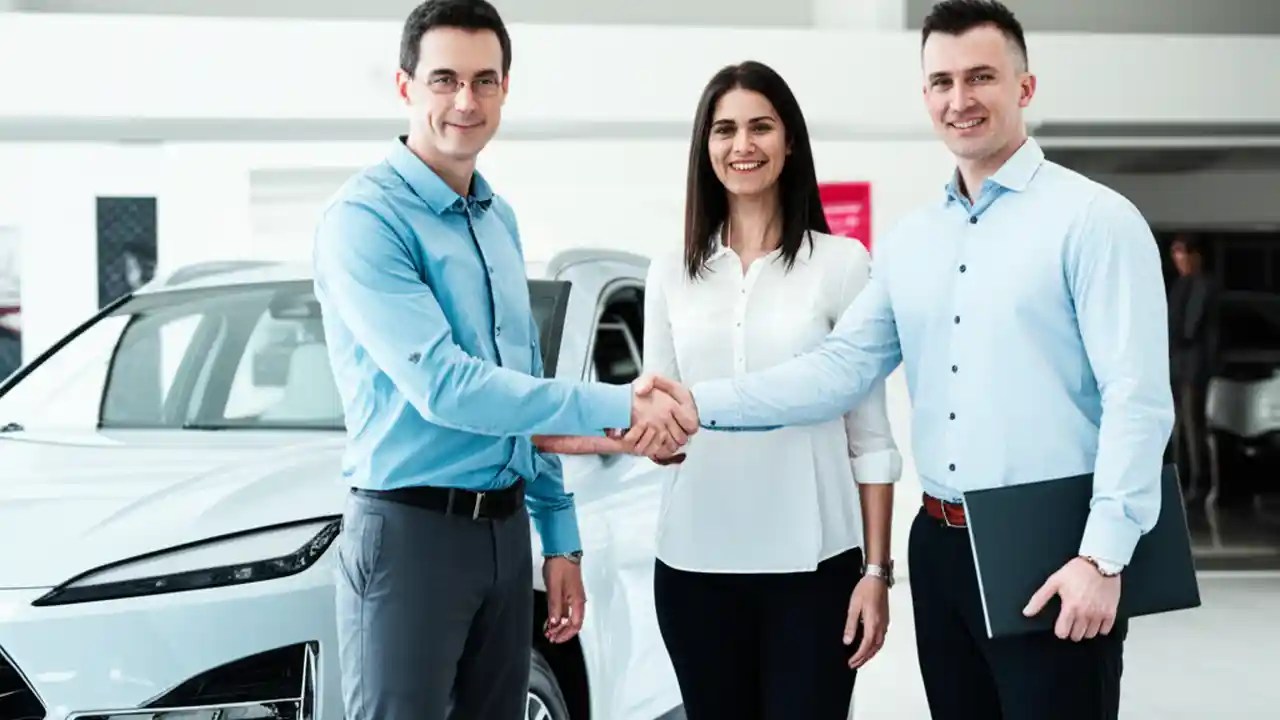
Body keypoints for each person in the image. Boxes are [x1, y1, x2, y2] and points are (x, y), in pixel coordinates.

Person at [635, 1, 1174, 719]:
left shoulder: (1094, 220)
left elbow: (1138, 399)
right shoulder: (913, 241)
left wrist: (1103, 556)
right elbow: (839, 369)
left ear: (1025, 87)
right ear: (925, 96)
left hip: (1053, 546)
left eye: (981, 77)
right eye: (942, 82)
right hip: (941, 545)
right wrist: (698, 402)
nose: (960, 99)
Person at [310, 2, 694, 718]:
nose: (466, 101)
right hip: (411, 535)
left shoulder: (497, 220)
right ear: (405, 86)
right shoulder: (365, 220)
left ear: (505, 89)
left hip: (505, 534)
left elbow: (523, 386)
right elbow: (449, 388)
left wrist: (560, 538)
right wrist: (624, 403)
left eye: (484, 81)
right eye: (445, 79)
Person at [636, 60, 903, 719]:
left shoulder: (842, 264)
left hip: (814, 571)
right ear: (705, 147)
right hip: (694, 567)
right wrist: (646, 437)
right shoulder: (669, 273)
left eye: (760, 126)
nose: (742, 144)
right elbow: (661, 420)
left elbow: (870, 440)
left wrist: (876, 572)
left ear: (790, 142)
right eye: (724, 129)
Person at [1167, 233, 1220, 502]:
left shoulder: (1203, 285)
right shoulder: (1179, 286)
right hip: (1177, 365)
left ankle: (1197, 482)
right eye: (1175, 254)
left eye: (1182, 253)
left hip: (1194, 366)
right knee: (1178, 426)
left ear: (1196, 256)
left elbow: (1191, 326)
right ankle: (1182, 479)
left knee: (1192, 424)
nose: (1179, 260)